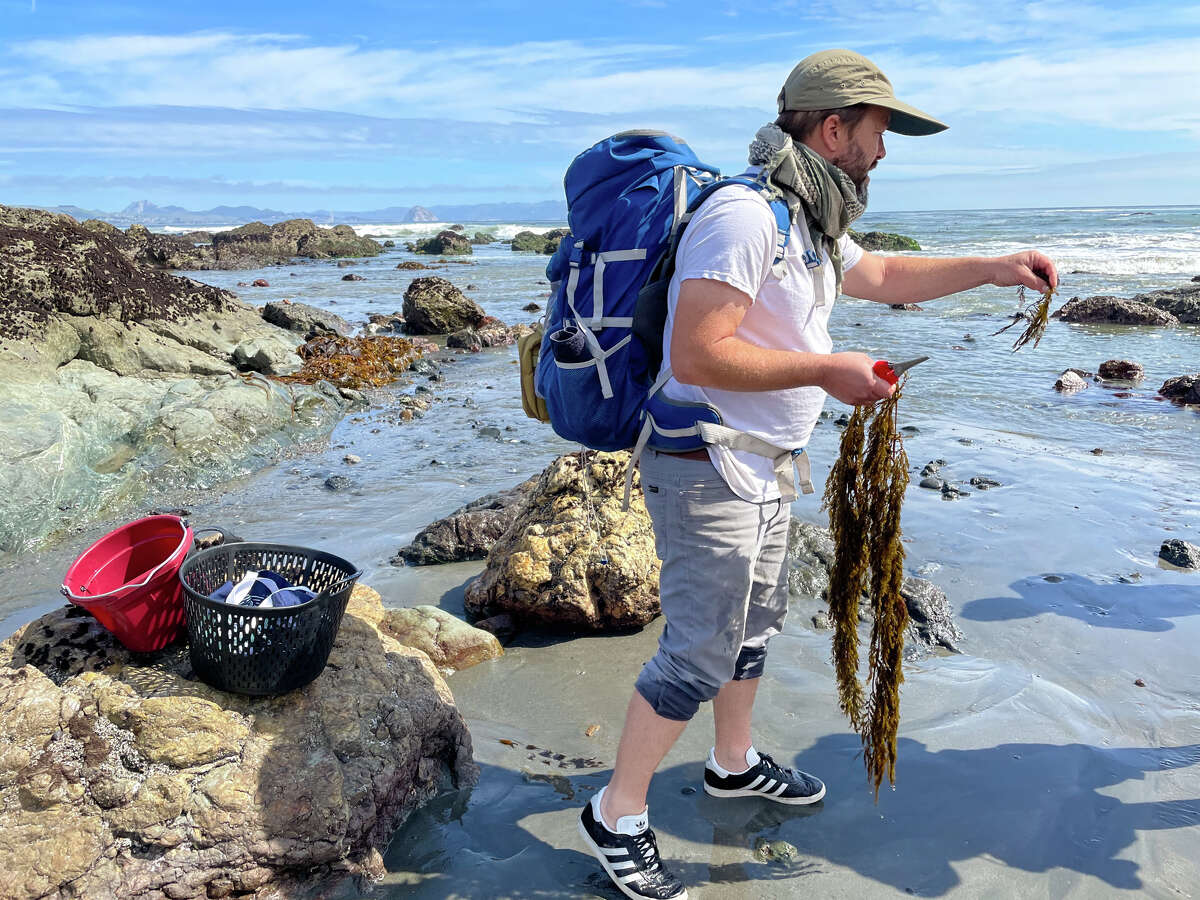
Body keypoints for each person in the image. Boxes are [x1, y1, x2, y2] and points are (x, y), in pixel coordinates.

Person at [576, 48, 1059, 900]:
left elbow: (883, 276)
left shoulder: (812, 221)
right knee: (695, 653)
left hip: (765, 467)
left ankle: (732, 764)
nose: (884, 153)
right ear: (833, 129)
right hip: (704, 465)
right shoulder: (745, 215)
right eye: (877, 133)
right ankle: (616, 813)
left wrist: (994, 266)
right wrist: (825, 369)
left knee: (752, 630)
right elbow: (698, 351)